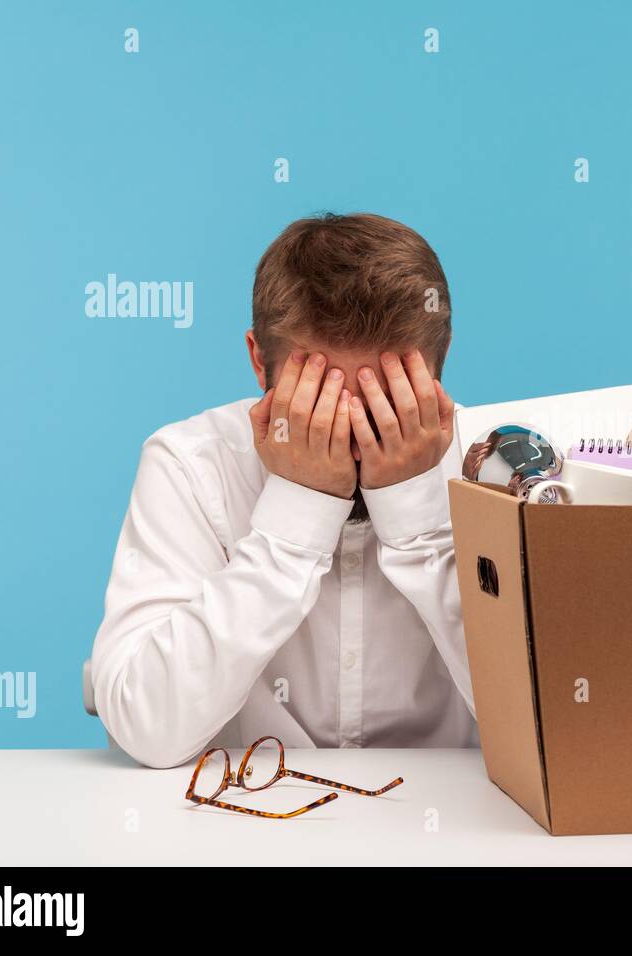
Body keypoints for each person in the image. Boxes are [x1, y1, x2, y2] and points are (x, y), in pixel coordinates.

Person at [91, 213, 476, 768]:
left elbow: (555, 727)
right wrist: (300, 509)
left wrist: (417, 521)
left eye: (386, 405)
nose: (349, 436)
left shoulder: (493, 466)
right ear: (257, 360)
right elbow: (146, 727)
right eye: (317, 403)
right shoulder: (192, 464)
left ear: (437, 369)